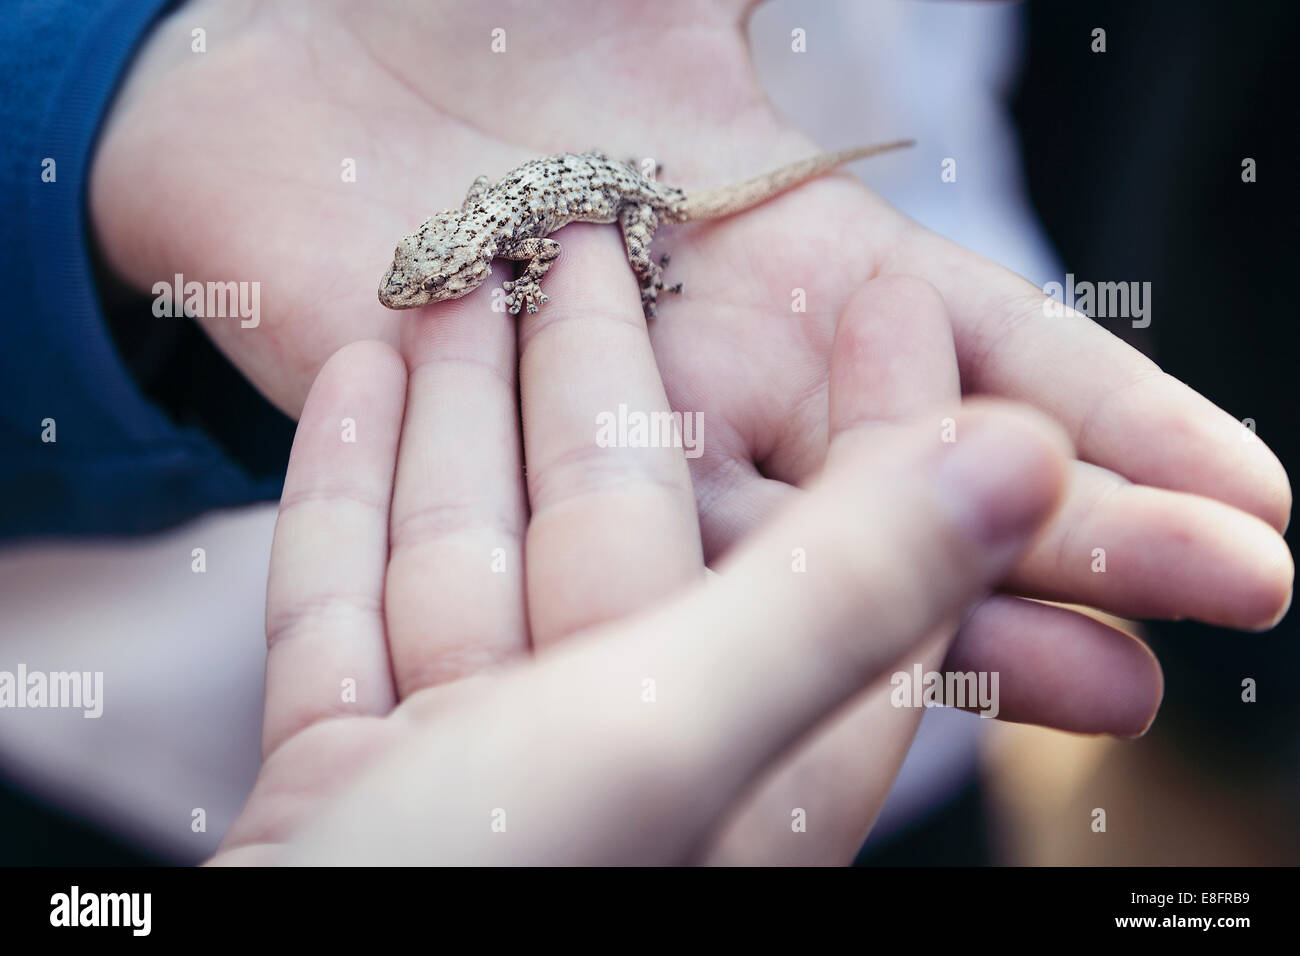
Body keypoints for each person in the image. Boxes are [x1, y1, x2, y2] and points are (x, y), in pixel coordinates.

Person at [1, 1, 1290, 863]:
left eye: (422, 286)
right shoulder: (460, 253)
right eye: (421, 287)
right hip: (105, 751)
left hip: (876, 755)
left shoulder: (504, 243)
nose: (415, 299)